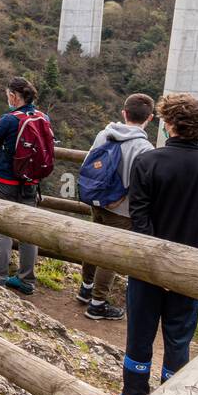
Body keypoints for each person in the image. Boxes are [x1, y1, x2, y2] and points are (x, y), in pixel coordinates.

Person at [120, 93, 198, 395]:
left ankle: (133, 394)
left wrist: (158, 265)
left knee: (140, 332)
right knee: (179, 338)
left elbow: (139, 218)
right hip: (191, 272)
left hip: (147, 266)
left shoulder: (148, 161)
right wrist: (195, 267)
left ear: (169, 123)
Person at [76, 93, 155, 321]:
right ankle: (98, 304)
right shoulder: (144, 147)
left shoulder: (105, 134)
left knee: (93, 245)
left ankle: (85, 289)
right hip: (121, 210)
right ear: (149, 118)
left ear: (124, 113)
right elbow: (140, 185)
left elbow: (87, 164)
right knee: (110, 256)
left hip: (97, 201)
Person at [0, 77, 53, 295]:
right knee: (28, 232)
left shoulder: (10, 119)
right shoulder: (42, 117)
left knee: (2, 230)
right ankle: (26, 280)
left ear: (14, 96)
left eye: (8, 95)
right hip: (30, 183)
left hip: (4, 182)